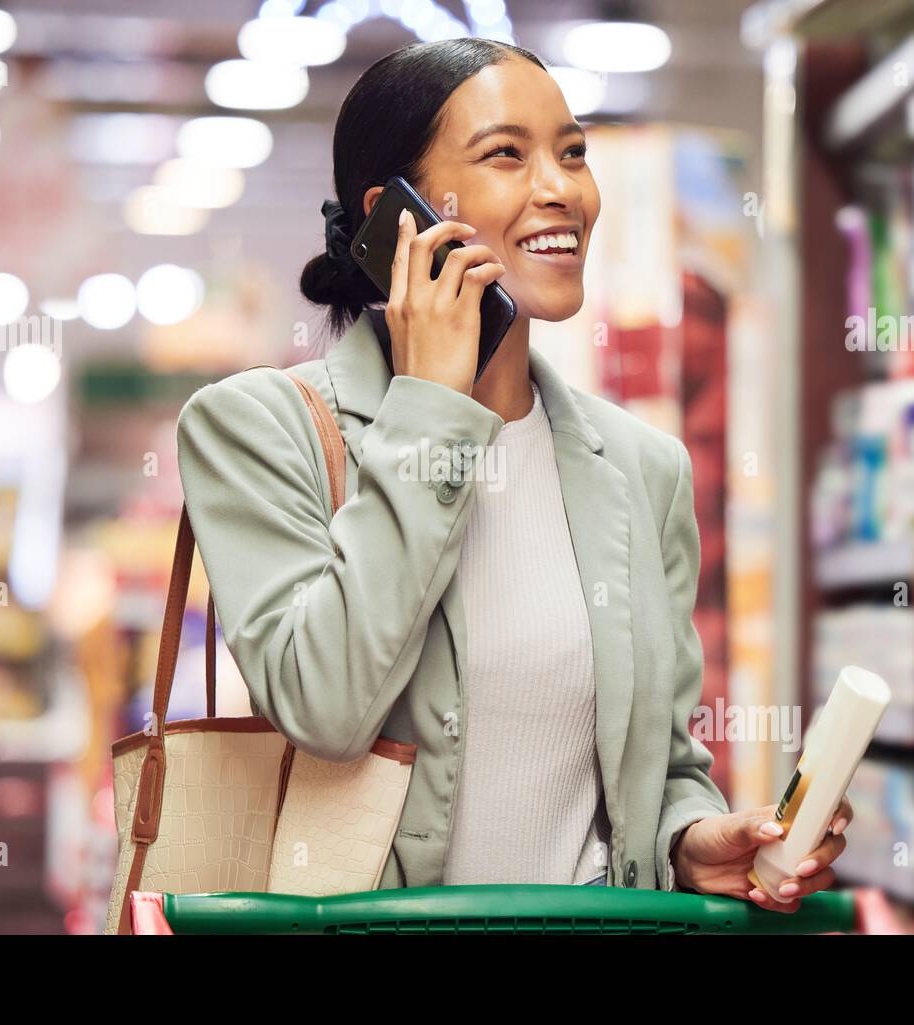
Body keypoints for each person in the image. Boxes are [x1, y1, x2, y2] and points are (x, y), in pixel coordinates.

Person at [177, 37, 850, 911]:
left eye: (573, 152)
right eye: (507, 154)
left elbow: (661, 760)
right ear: (396, 215)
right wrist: (428, 403)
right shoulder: (258, 429)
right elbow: (328, 705)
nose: (562, 188)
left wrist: (689, 840)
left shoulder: (645, 470)